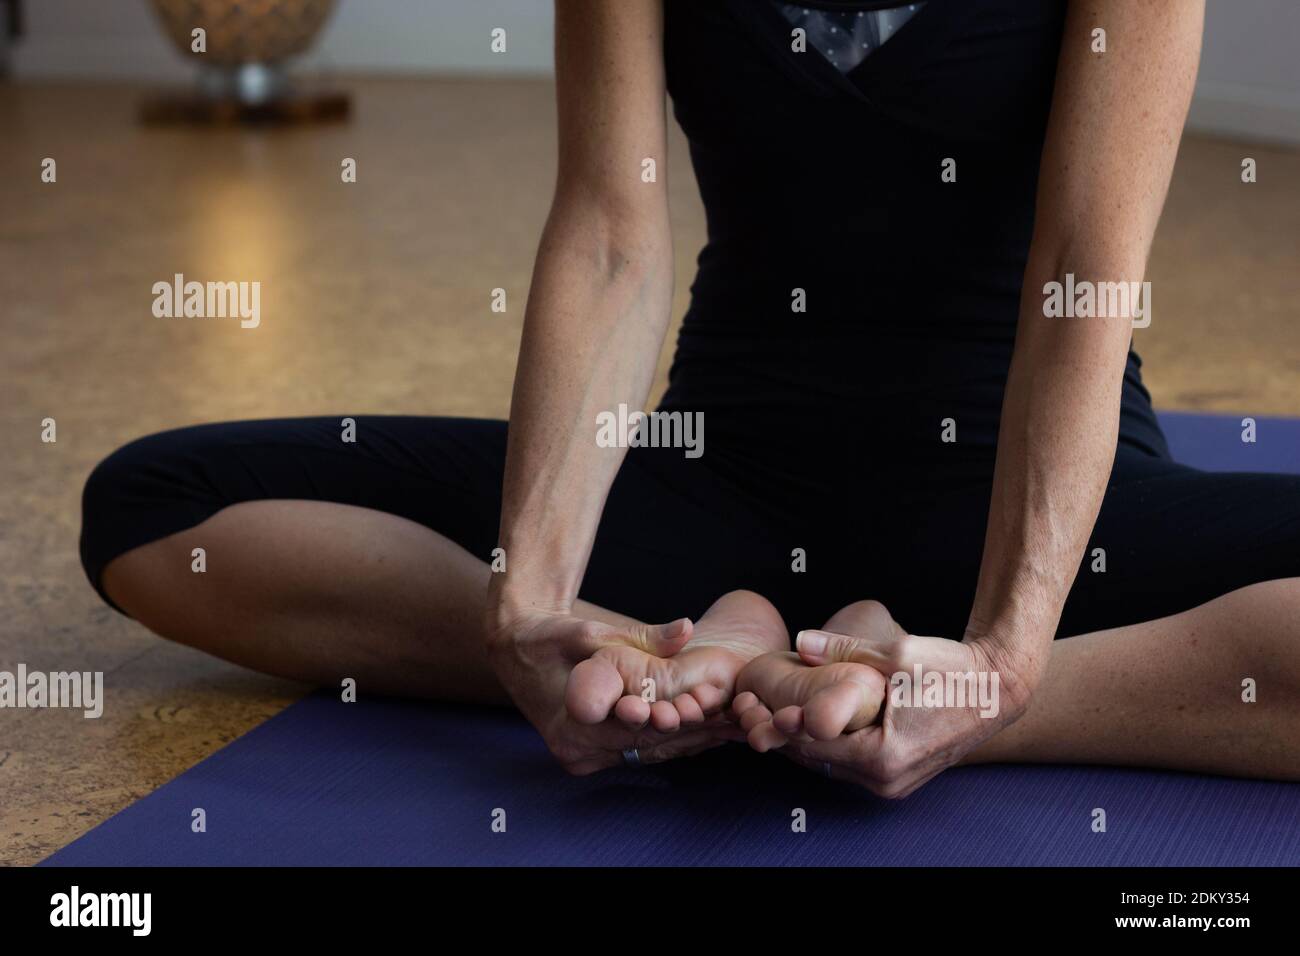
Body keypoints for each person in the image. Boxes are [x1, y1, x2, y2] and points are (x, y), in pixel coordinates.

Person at [81, 0, 1300, 798]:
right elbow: (615, 236)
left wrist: (1006, 662)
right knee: (154, 511)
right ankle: (673, 651)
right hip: (726, 480)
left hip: (1026, 509)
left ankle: (888, 688)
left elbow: (1083, 268)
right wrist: (530, 605)